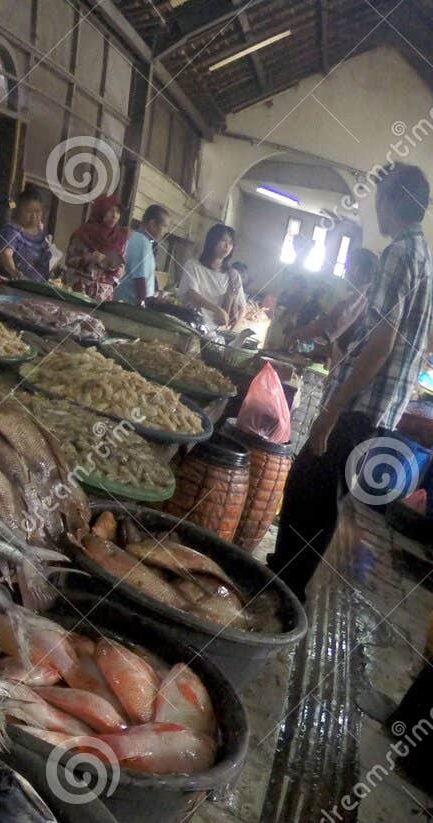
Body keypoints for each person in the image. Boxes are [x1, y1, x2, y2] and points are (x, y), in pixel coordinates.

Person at [269, 163, 433, 601]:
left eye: (377, 197)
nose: (374, 207)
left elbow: (383, 341)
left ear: (390, 200)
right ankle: (288, 594)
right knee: (320, 506)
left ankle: (278, 596)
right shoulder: (423, 258)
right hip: (377, 413)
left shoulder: (400, 254)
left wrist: (331, 411)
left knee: (306, 496)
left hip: (359, 409)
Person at [286, 247, 379, 359]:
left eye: (346, 267)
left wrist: (296, 335)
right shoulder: (373, 296)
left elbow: (329, 326)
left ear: (356, 270)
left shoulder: (360, 298)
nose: (345, 273)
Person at [174, 223, 244, 327]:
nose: (227, 246)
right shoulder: (193, 265)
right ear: (212, 241)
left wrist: (232, 331)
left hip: (215, 331)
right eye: (223, 240)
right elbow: (192, 293)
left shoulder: (233, 275)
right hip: (190, 324)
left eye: (231, 243)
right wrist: (217, 310)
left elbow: (242, 306)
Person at [63, 194, 128, 301]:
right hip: (78, 292)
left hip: (103, 298)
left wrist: (119, 270)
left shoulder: (120, 239)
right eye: (110, 210)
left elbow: (120, 267)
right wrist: (90, 257)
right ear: (100, 210)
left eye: (117, 212)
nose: (114, 215)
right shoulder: (83, 233)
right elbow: (70, 260)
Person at [0, 187, 53, 282]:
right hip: (12, 285)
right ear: (19, 211)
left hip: (35, 287)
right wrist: (14, 272)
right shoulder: (12, 231)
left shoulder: (40, 236)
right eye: (29, 211)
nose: (34, 216)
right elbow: (6, 254)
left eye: (37, 212)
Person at [117, 204, 169, 304]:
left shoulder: (141, 240)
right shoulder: (142, 242)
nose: (165, 232)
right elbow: (140, 280)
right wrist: (144, 306)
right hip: (129, 306)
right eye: (164, 226)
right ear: (152, 223)